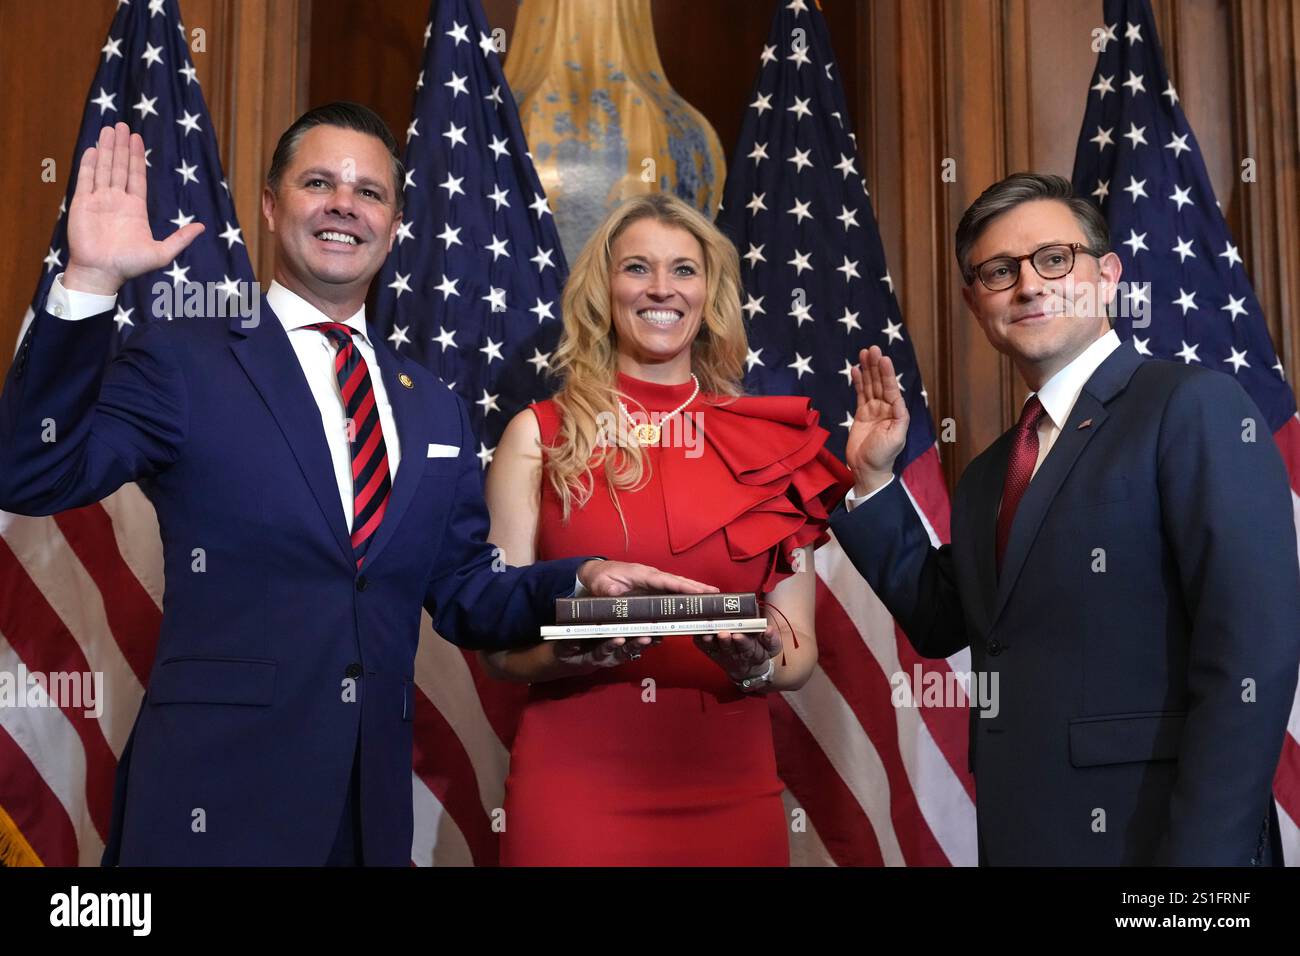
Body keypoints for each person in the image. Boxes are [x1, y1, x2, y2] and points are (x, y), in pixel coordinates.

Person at [0, 106, 709, 866]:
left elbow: (469, 592)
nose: (345, 203)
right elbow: (30, 470)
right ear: (272, 206)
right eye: (318, 183)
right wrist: (90, 281)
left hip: (366, 817)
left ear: (394, 222)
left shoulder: (431, 402)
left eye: (369, 192)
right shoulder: (185, 362)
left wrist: (583, 578)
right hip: (209, 807)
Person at [833, 172, 1300, 865]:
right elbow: (943, 622)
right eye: (999, 271)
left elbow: (1249, 660)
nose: (1029, 285)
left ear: (1106, 275)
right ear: (974, 301)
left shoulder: (1195, 407)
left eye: (1054, 258)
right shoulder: (993, 469)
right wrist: (873, 481)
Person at [480, 192, 853, 865]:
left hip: (731, 788)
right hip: (573, 789)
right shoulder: (537, 436)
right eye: (637, 268)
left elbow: (798, 655)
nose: (661, 288)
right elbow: (500, 651)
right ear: (605, 289)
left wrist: (762, 659)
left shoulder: (771, 444)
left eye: (684, 270)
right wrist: (563, 656)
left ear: (709, 293)